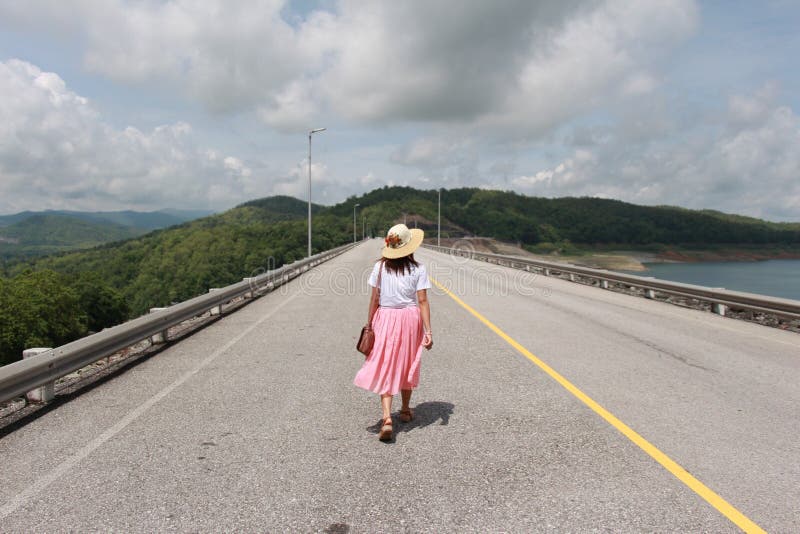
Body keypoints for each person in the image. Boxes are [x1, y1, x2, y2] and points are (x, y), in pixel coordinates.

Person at [354, 223, 433, 441]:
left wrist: (370, 324)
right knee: (407, 362)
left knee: (387, 364)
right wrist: (428, 331)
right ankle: (405, 410)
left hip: (385, 318)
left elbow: (374, 299)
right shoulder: (418, 269)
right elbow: (422, 301)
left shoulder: (379, 268)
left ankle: (387, 417)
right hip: (410, 319)